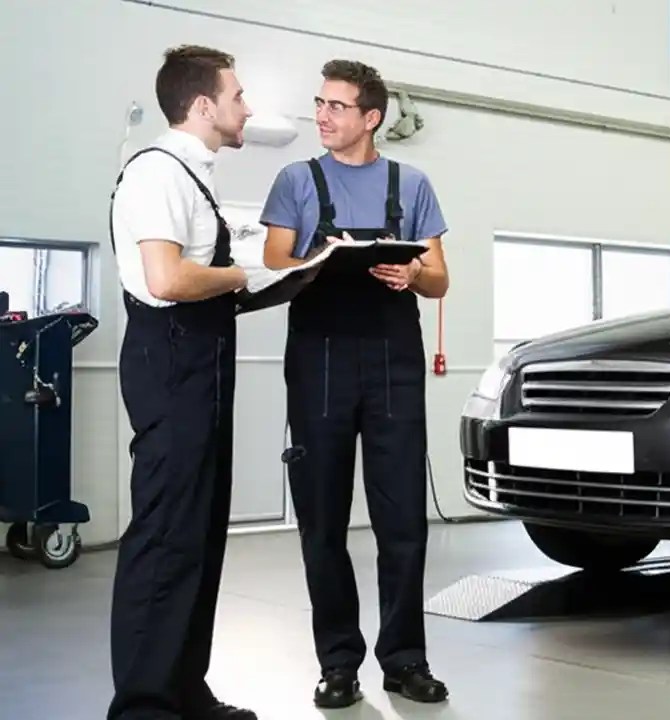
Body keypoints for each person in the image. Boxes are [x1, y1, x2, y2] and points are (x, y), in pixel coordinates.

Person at [259, 58, 450, 709]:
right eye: (319, 103)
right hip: (320, 358)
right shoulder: (296, 180)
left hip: (394, 362)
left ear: (371, 117)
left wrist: (411, 276)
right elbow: (274, 260)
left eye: (336, 106)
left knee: (403, 522)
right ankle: (338, 662)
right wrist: (325, 256)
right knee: (322, 520)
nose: (322, 115)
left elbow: (440, 276)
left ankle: (405, 659)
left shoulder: (412, 182)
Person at [106, 45, 256, 720]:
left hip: (201, 361)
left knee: (198, 533)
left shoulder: (195, 173)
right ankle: (143, 708)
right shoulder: (157, 173)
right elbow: (167, 279)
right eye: (237, 95)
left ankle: (183, 690)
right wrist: (243, 275)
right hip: (170, 360)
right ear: (204, 106)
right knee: (167, 535)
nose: (245, 107)